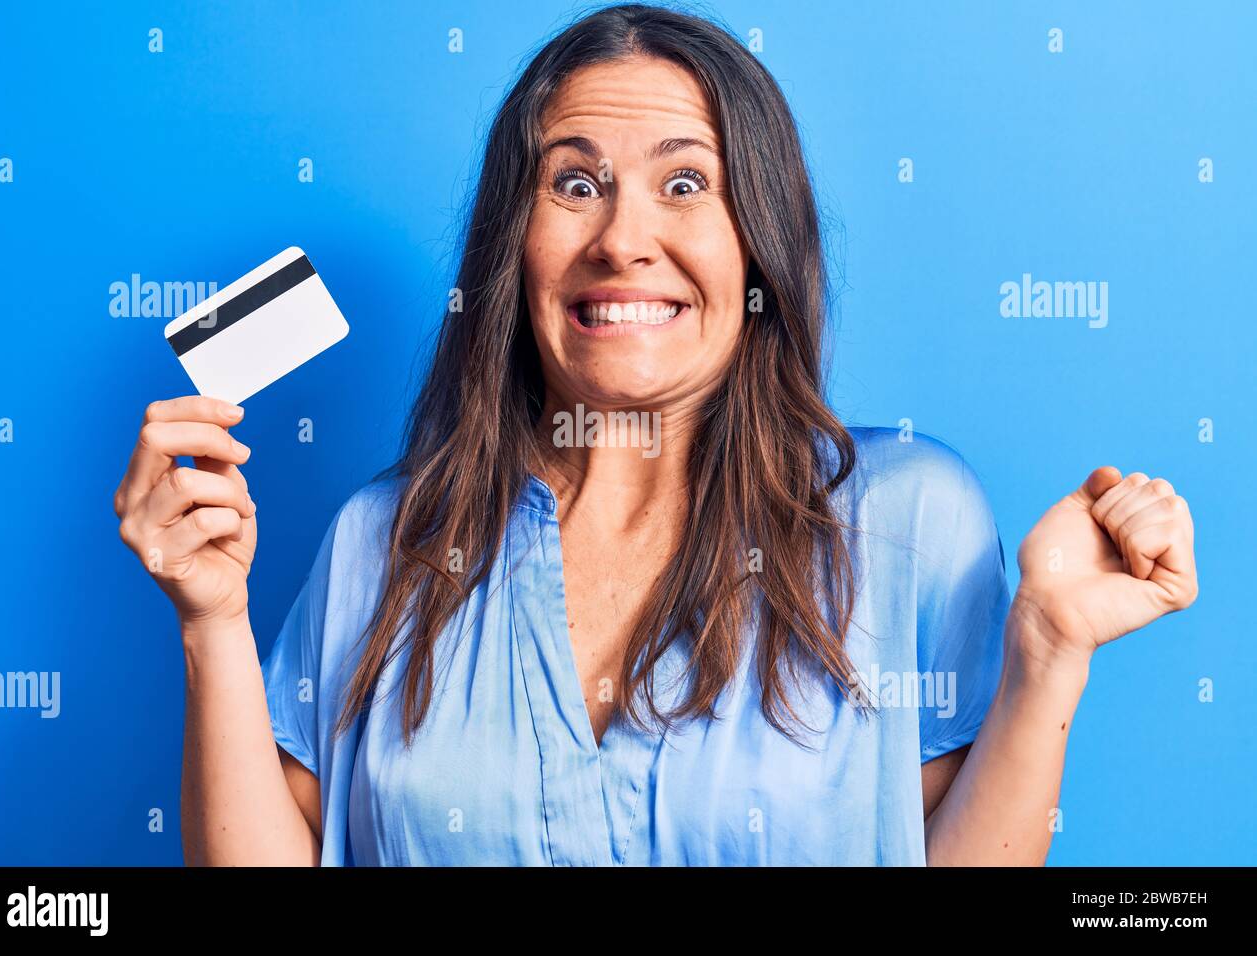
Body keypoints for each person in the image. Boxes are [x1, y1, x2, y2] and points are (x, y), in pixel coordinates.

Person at [114, 4, 1198, 866]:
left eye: (686, 183)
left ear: (758, 242)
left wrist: (1048, 649)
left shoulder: (906, 518)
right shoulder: (386, 537)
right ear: (513, 244)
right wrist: (210, 623)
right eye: (575, 184)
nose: (624, 238)